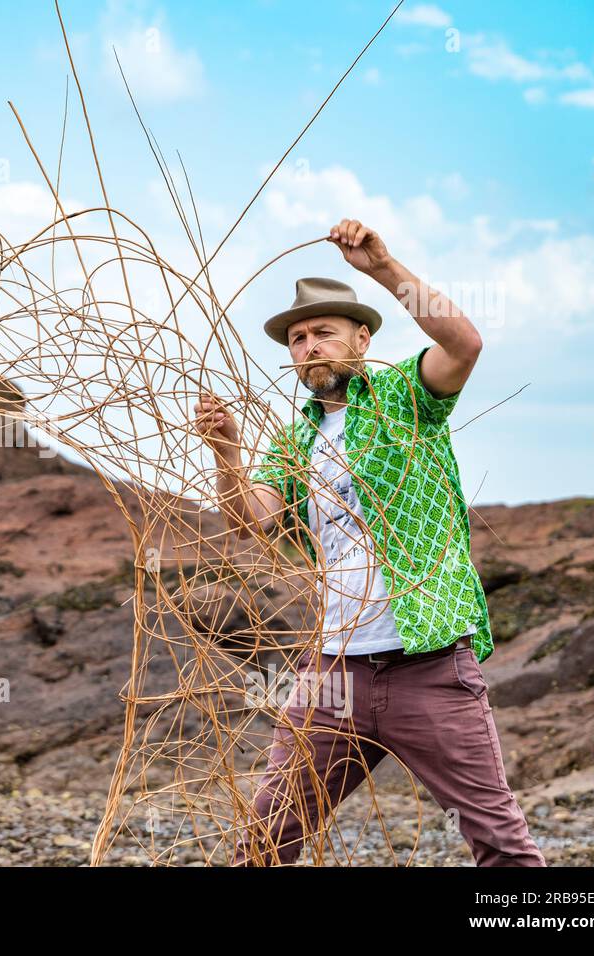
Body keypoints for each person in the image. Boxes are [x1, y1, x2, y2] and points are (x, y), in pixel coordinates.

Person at [194, 218, 545, 866]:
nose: (308, 346)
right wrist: (227, 454)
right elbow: (252, 523)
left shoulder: (405, 398)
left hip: (430, 667)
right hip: (333, 676)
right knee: (264, 846)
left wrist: (382, 267)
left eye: (323, 331)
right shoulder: (291, 444)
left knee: (501, 847)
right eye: (297, 338)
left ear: (362, 337)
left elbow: (464, 343)